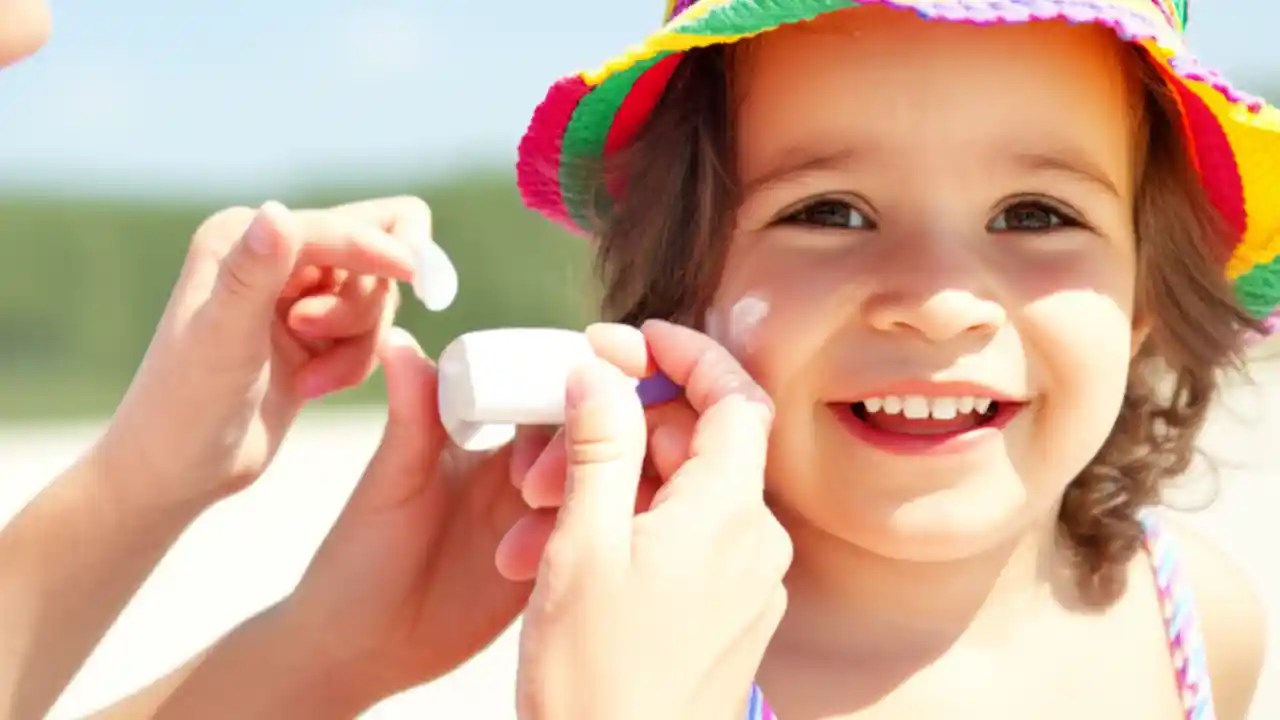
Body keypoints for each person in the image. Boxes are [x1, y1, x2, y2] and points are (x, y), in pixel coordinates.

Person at [506, 0, 1277, 717]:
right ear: (682, 284)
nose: (939, 305)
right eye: (829, 212)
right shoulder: (638, 663)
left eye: (1035, 215)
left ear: (1146, 296)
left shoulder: (1201, 622)